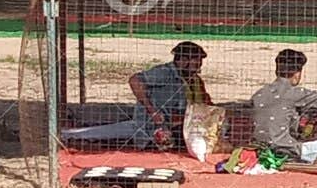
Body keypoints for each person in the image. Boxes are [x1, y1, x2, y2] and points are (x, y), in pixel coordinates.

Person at [63, 40, 210, 151]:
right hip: (150, 125)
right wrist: (152, 111)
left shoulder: (194, 81)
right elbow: (134, 80)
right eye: (195, 64)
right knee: (103, 134)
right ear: (182, 61)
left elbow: (206, 103)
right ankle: (69, 135)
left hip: (178, 125)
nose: (197, 68)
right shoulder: (164, 73)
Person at [250, 49, 317, 164]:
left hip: (259, 149)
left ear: (276, 70)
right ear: (297, 74)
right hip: (287, 150)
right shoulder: (296, 93)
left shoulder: (259, 94)